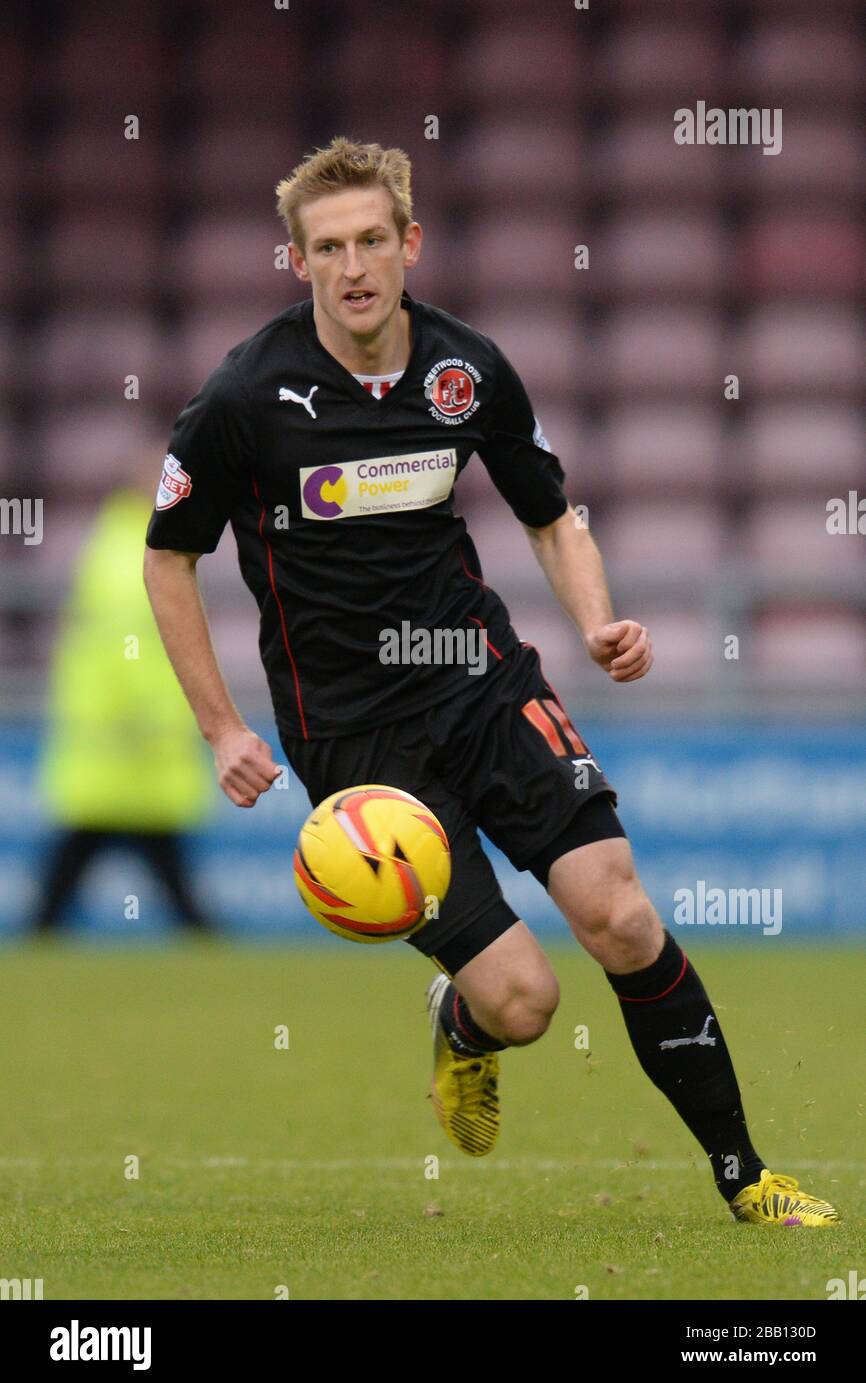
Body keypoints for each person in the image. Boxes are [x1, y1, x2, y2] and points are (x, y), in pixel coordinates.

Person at [143, 138, 837, 1226]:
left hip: (480, 680)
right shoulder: (244, 395)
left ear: (409, 243)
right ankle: (465, 1027)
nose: (354, 264)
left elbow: (550, 517)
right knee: (523, 1001)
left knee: (616, 914)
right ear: (297, 262)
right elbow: (166, 556)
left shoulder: (466, 371)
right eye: (328, 247)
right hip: (355, 738)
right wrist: (221, 726)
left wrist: (597, 619)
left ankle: (747, 1178)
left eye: (373, 239)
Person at [33, 446, 215, 935]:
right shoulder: (134, 557)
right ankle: (210, 948)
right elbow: (127, 649)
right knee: (165, 877)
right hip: (130, 747)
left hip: (111, 753)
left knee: (76, 870)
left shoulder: (117, 544)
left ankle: (36, 944)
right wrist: (155, 716)